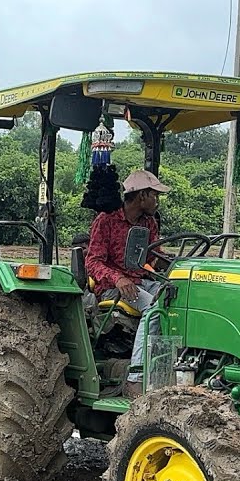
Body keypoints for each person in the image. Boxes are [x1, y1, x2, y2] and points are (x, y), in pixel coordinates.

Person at [84, 169, 168, 398]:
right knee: (154, 309)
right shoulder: (106, 221)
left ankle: (172, 370)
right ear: (142, 196)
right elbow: (92, 262)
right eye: (155, 195)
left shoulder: (148, 223)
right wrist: (118, 278)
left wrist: (170, 261)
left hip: (141, 282)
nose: (157, 201)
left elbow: (153, 257)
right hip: (113, 287)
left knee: (175, 299)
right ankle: (136, 378)